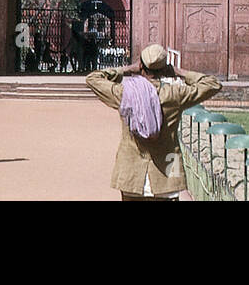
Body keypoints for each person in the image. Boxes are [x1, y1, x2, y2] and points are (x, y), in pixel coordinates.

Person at [86, 44, 221, 201]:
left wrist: (127, 69)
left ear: (141, 66)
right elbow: (212, 84)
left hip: (131, 170)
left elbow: (92, 79)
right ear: (164, 69)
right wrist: (178, 72)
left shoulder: (126, 94)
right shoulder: (174, 94)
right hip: (169, 169)